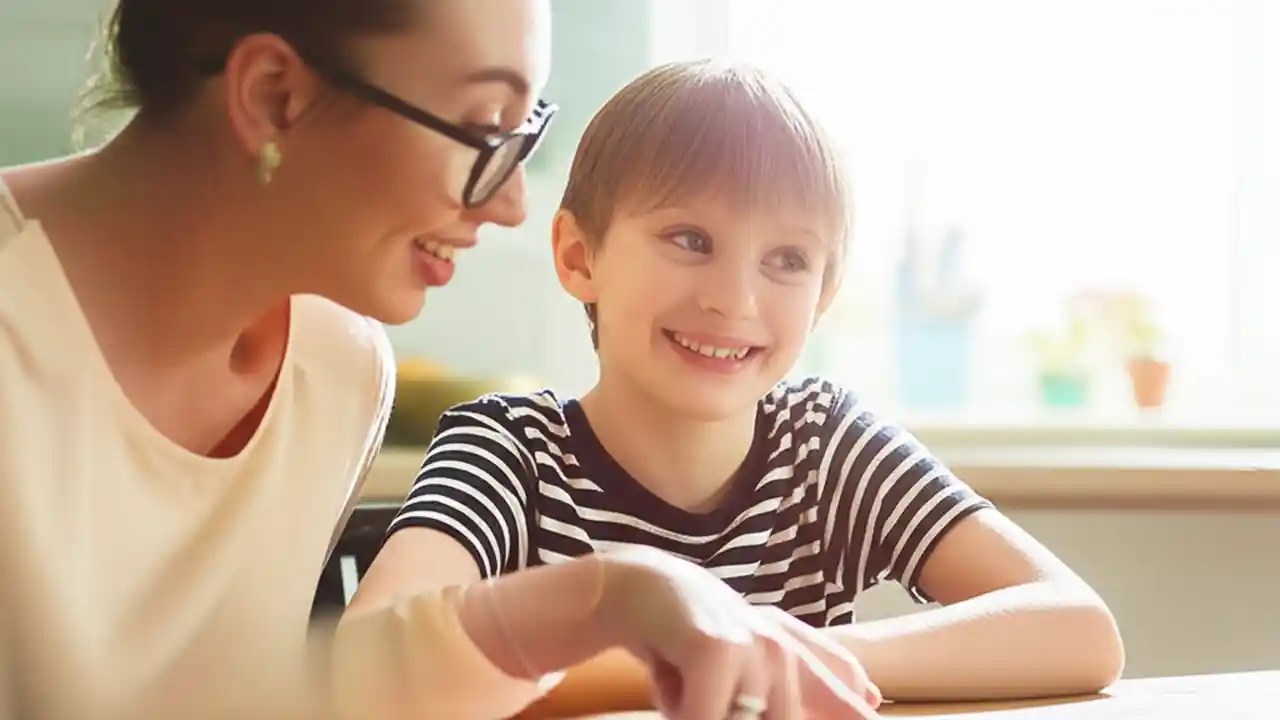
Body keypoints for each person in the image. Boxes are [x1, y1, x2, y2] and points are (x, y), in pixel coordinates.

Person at [1, 2, 876, 718]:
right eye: (480, 128)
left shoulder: (334, 365)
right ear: (274, 97)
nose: (507, 204)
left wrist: (617, 598)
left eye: (521, 132)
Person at [351, 59, 1128, 718]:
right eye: (691, 240)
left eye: (787, 260)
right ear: (580, 256)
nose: (736, 300)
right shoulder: (505, 448)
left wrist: (800, 653)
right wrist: (709, 656)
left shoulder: (825, 442)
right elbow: (376, 660)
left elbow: (1080, 630)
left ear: (823, 295)